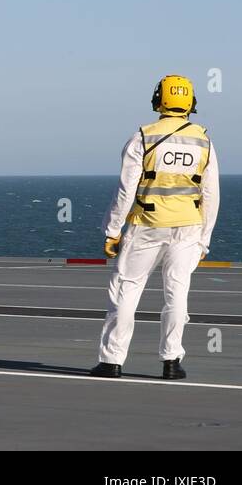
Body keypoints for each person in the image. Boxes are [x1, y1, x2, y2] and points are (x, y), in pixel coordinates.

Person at [91, 75, 220, 380]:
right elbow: (211, 195)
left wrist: (112, 230)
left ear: (158, 99)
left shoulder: (143, 137)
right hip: (187, 227)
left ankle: (111, 361)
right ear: (190, 102)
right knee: (177, 293)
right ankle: (171, 362)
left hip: (146, 225)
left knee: (127, 290)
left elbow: (126, 190)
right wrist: (205, 241)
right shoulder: (203, 140)